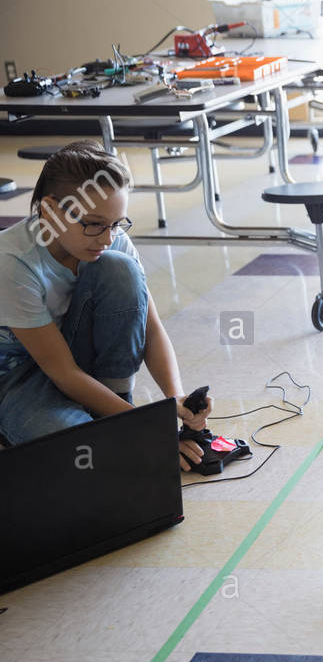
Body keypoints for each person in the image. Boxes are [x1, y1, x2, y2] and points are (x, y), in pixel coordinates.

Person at [0, 141, 211, 469]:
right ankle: (108, 420)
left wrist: (175, 399)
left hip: (69, 360)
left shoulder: (111, 242)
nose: (108, 237)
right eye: (94, 223)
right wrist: (147, 428)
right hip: (17, 379)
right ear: (50, 210)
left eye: (116, 223)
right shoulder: (12, 263)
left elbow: (152, 330)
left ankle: (113, 407)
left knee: (120, 269)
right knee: (82, 450)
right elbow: (62, 371)